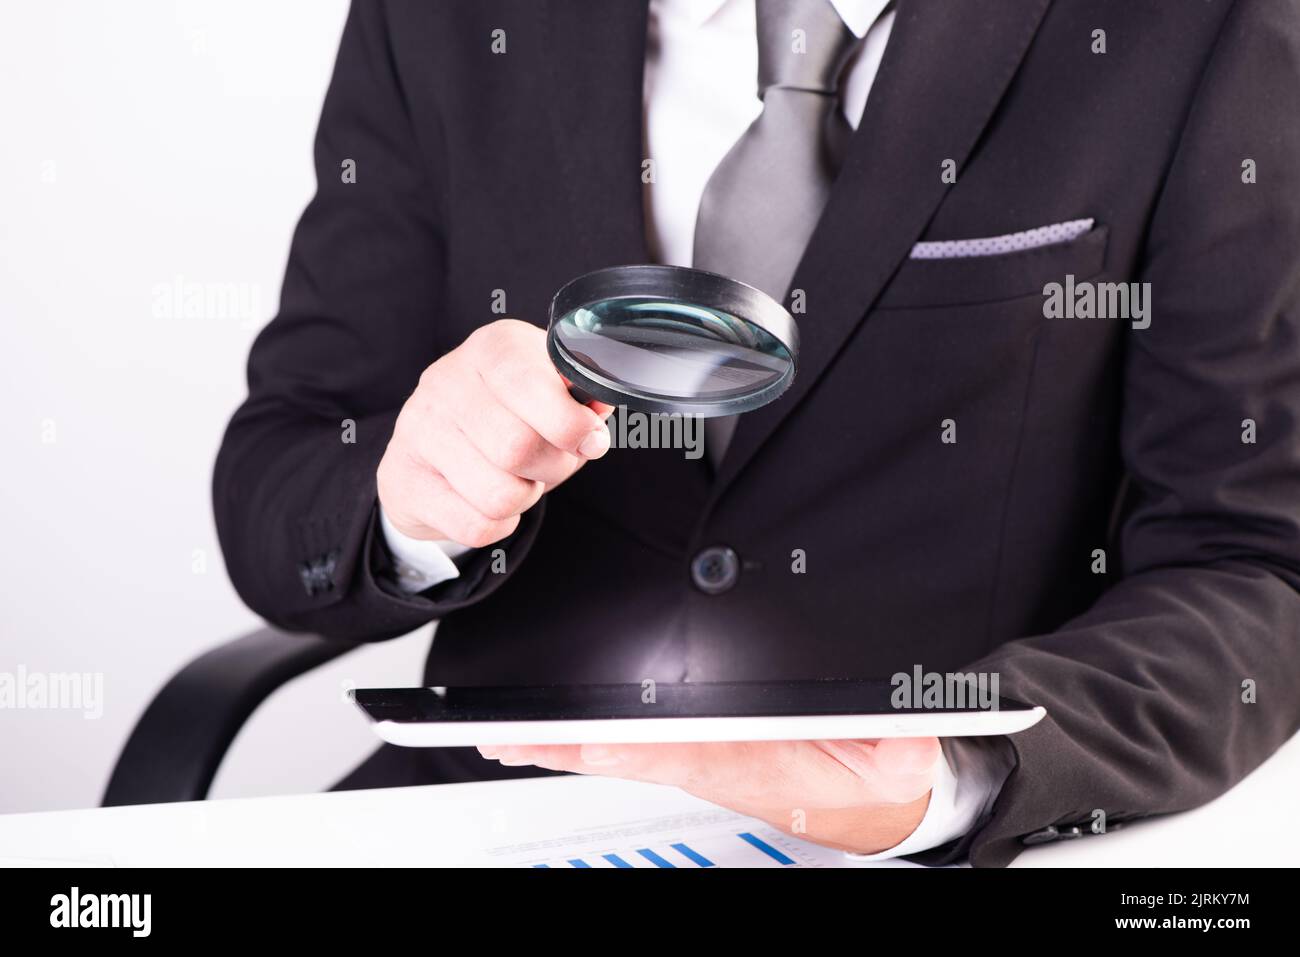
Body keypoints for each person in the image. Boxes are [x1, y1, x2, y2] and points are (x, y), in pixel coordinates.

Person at [214, 0, 1300, 866]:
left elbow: (1252, 561)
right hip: (494, 809)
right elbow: (286, 471)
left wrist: (957, 766)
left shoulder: (1198, 25)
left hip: (924, 841)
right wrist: (414, 505)